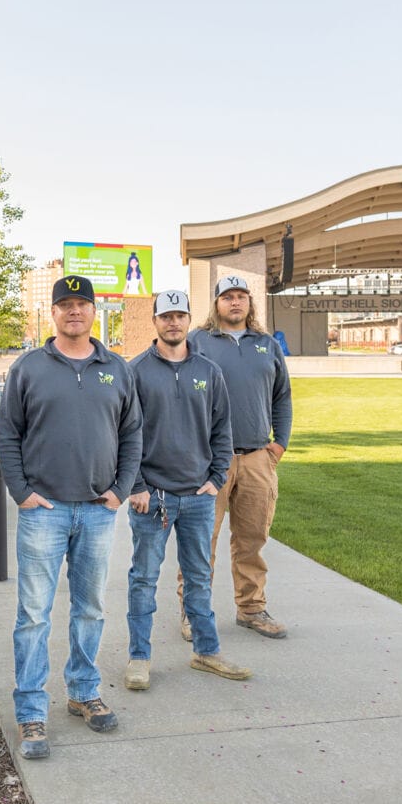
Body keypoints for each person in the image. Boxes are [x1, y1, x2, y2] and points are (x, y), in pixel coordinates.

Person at [0, 274, 142, 759]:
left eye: (82, 304)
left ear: (94, 312)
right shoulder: (28, 368)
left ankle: (83, 691)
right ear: (53, 312)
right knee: (33, 615)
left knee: (90, 608)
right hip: (45, 512)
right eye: (66, 304)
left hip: (98, 513)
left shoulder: (116, 369)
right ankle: (32, 712)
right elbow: (8, 435)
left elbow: (132, 434)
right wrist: (21, 492)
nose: (74, 311)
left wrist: (121, 489)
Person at [125, 290, 250, 690]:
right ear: (155, 321)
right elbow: (124, 434)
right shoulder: (136, 371)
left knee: (199, 575)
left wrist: (215, 480)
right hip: (153, 498)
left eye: (180, 316)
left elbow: (221, 429)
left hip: (198, 497)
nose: (173, 323)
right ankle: (139, 659)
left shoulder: (208, 370)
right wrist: (137, 485)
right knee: (143, 579)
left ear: (189, 320)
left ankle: (206, 651)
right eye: (166, 316)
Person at [181, 275, 293, 640]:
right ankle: (193, 612)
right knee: (201, 540)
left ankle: (252, 608)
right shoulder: (196, 341)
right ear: (216, 304)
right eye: (227, 296)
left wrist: (279, 444)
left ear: (250, 303)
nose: (235, 302)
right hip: (208, 460)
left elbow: (282, 397)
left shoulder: (266, 344)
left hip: (258, 456)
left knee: (252, 539)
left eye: (241, 296)